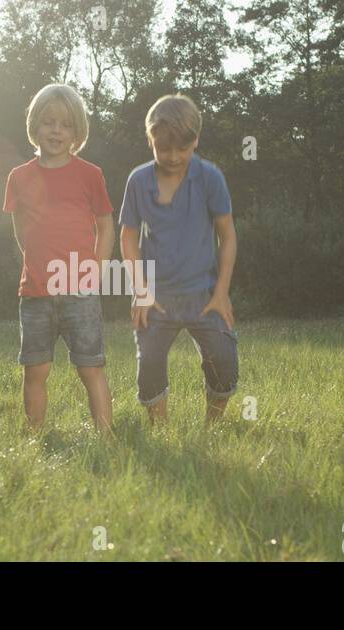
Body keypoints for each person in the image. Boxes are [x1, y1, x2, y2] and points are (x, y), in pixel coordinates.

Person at [118, 94, 239, 424]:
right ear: (150, 141)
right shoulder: (138, 181)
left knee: (224, 360)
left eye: (182, 149)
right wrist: (141, 291)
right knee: (150, 364)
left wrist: (222, 292)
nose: (173, 157)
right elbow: (128, 237)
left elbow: (227, 235)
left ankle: (212, 427)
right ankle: (162, 430)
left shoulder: (210, 178)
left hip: (204, 293)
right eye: (163, 149)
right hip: (156, 296)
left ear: (196, 140)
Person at [2, 84, 115, 431]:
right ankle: (34, 436)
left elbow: (105, 225)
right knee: (35, 369)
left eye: (65, 124)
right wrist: (37, 264)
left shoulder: (90, 175)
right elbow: (20, 229)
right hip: (35, 292)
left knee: (90, 367)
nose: (56, 130)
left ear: (77, 132)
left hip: (80, 290)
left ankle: (106, 436)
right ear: (35, 125)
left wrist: (96, 269)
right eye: (49, 122)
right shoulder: (18, 177)